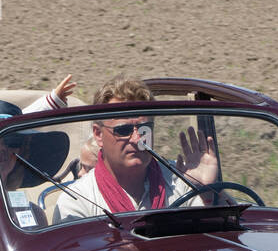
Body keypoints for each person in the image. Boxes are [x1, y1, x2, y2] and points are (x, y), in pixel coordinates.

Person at [51, 77, 218, 223]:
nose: (137, 139)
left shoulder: (182, 179)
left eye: (145, 129)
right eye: (123, 130)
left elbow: (217, 240)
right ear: (98, 134)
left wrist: (207, 191)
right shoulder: (77, 200)